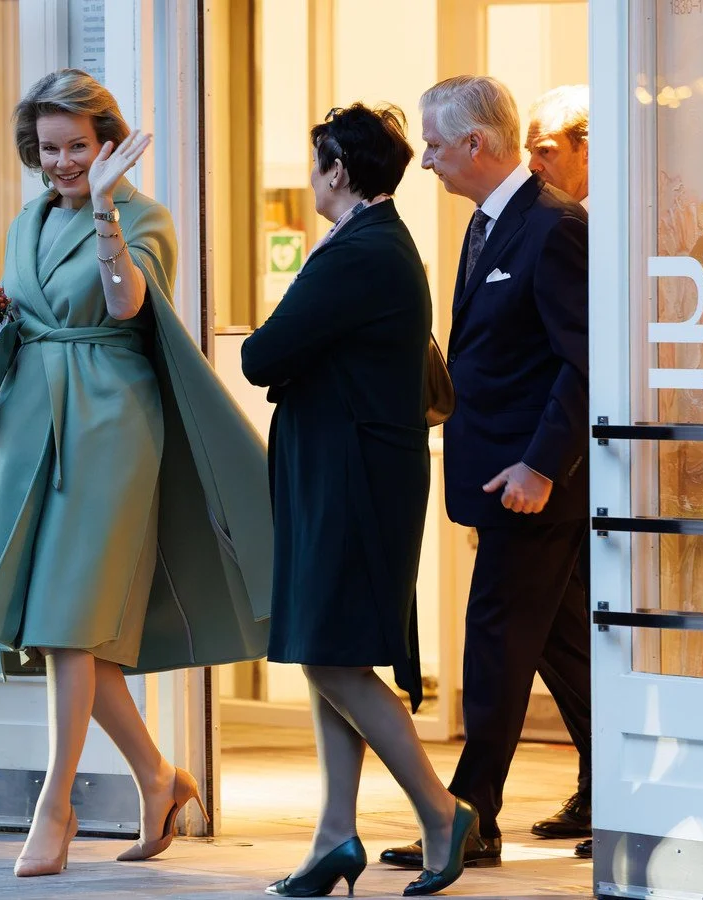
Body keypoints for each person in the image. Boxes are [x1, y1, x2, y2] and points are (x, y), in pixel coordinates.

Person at [0, 68, 273, 878]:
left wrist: (111, 208)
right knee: (66, 631)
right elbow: (21, 317)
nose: (60, 162)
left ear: (107, 142)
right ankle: (158, 779)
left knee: (69, 618)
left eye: (76, 146)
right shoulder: (27, 221)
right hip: (26, 428)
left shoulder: (144, 216)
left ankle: (56, 802)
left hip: (113, 424)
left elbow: (126, 306)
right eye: (48, 148)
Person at [242, 103, 478, 898]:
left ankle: (442, 813)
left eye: (316, 162)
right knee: (326, 650)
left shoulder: (361, 250)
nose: (312, 175)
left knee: (333, 656)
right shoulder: (371, 243)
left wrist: (287, 360)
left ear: (338, 171)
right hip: (343, 470)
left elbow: (262, 355)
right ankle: (335, 836)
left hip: (352, 477)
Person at [380, 75, 590, 872]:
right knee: (557, 641)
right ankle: (622, 779)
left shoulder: (554, 226)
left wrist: (540, 465)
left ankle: (471, 819)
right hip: (500, 473)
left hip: (535, 482)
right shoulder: (488, 224)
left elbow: (582, 363)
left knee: (497, 641)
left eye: (435, 145)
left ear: (476, 144)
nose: (426, 160)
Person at [526, 83, 595, 861]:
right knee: (555, 629)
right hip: (559, 462)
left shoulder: (592, 225)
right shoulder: (555, 221)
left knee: (576, 627)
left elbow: (580, 361)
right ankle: (600, 770)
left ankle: (610, 776)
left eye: (548, 148)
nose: (537, 162)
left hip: (584, 464)